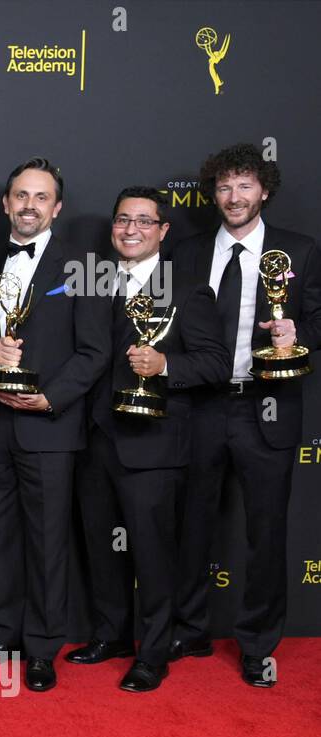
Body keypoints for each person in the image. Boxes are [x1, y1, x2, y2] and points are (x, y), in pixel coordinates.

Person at [171, 143, 321, 687]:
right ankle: (189, 628)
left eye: (245, 186)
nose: (234, 197)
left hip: (268, 407)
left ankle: (259, 645)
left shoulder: (299, 252)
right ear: (214, 193)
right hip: (200, 407)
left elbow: (318, 321)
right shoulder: (186, 253)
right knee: (191, 526)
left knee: (266, 531)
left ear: (264, 190)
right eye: (224, 187)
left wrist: (297, 334)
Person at [70, 187, 229, 691]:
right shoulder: (93, 283)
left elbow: (217, 363)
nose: (130, 229)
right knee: (101, 546)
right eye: (122, 220)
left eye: (143, 221)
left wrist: (167, 365)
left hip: (155, 442)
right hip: (95, 437)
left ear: (163, 231)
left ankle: (155, 650)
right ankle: (111, 635)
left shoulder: (186, 289)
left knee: (153, 554)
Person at [0, 157, 109, 692]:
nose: (29, 205)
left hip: (50, 425)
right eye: (20, 195)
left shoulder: (84, 266)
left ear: (57, 207)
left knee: (48, 540)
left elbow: (95, 351)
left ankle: (43, 648)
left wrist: (50, 398)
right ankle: (5, 638)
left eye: (41, 197)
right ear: (6, 203)